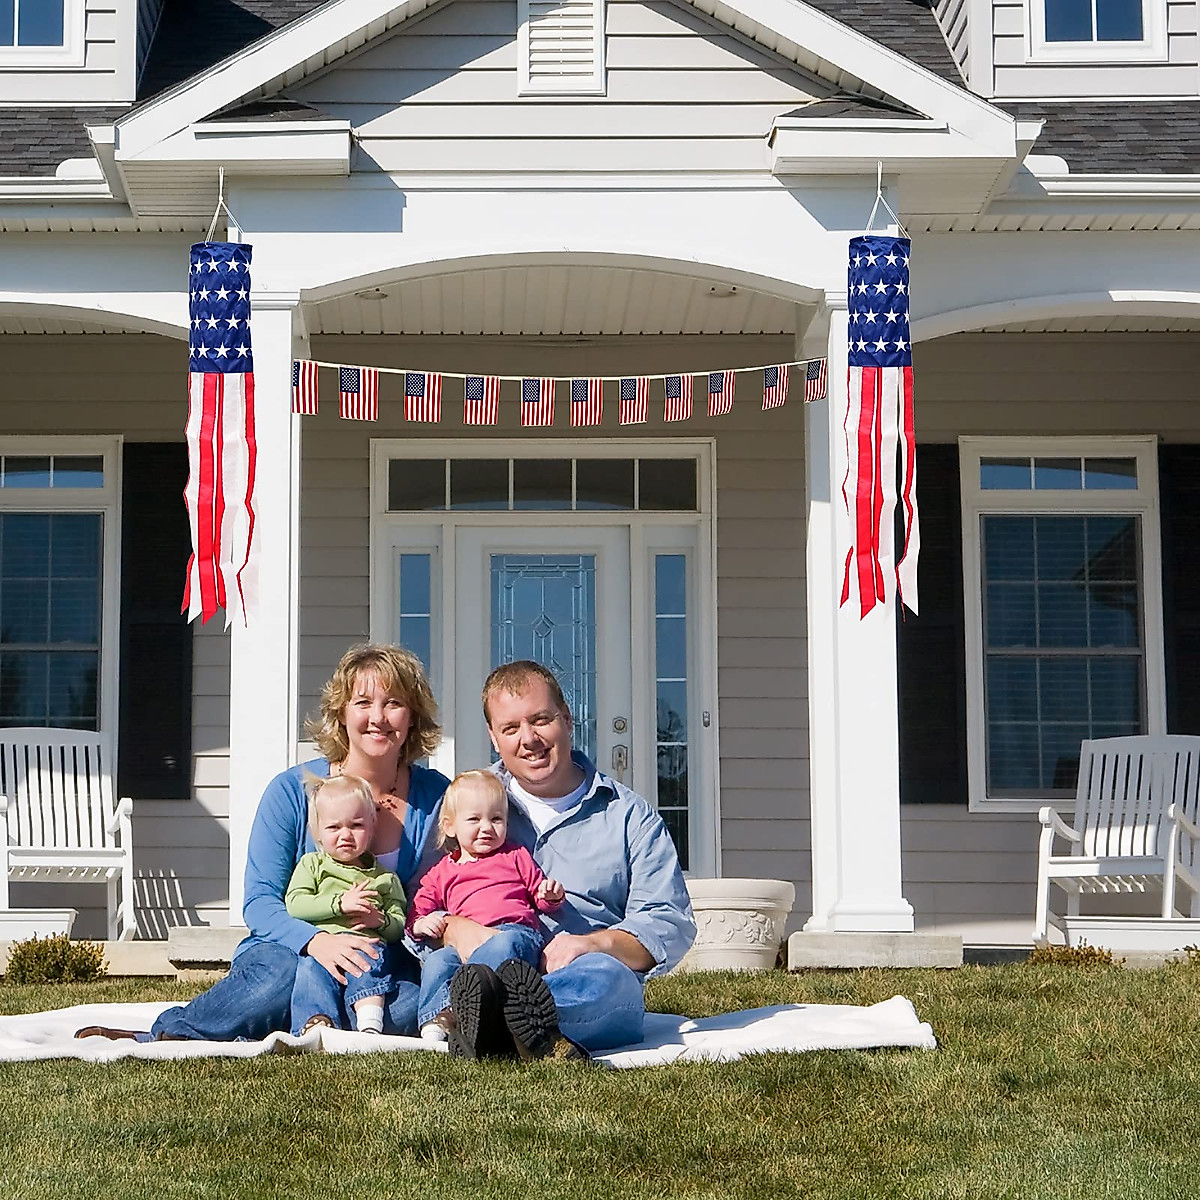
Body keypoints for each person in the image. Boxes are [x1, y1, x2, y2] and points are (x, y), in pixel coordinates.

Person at [75, 643, 448, 1043]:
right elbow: (260, 902)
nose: (378, 718)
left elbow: (439, 893)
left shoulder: (437, 797)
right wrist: (317, 942)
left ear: (412, 717)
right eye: (362, 703)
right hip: (290, 950)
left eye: (393, 703)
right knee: (278, 981)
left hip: (379, 958)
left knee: (411, 1006)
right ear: (341, 714)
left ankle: (305, 1022)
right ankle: (171, 1033)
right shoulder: (291, 791)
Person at [432, 660, 695, 1060]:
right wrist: (453, 928)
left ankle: (492, 1022)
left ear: (567, 719)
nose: (529, 739)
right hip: (487, 960)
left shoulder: (627, 815)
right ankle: (515, 1027)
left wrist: (594, 942)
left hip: (584, 977)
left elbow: (668, 922)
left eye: (541, 720)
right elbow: (422, 902)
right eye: (510, 728)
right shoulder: (468, 802)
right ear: (493, 736)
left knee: (612, 981)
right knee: (466, 966)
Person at [406, 769, 571, 1055]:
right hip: (462, 946)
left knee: (505, 944)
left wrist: (550, 897)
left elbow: (538, 895)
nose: (487, 828)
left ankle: (461, 1010)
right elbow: (419, 911)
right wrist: (422, 924)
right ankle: (434, 1021)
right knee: (439, 960)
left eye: (496, 819)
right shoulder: (442, 871)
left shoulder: (515, 855)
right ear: (449, 826)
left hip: (515, 933)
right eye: (474, 819)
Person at [285, 773, 407, 1035]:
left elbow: (399, 924)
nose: (345, 835)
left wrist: (381, 921)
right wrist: (338, 904)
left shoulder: (384, 877)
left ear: (373, 826)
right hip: (322, 948)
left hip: (366, 946)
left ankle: (370, 1024)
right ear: (317, 831)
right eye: (334, 827)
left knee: (371, 960)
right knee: (309, 970)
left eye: (356, 825)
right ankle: (316, 1021)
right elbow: (295, 904)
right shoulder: (313, 865)